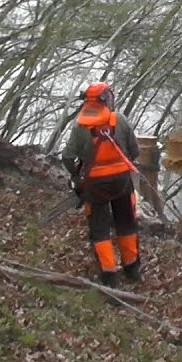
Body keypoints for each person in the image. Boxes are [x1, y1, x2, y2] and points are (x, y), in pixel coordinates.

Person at [60, 82, 143, 288]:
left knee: (100, 229)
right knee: (126, 223)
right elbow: (134, 151)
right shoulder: (120, 120)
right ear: (107, 99)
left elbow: (68, 157)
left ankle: (109, 276)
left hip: (95, 185)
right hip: (122, 183)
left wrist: (77, 175)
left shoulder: (80, 126)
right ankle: (132, 268)